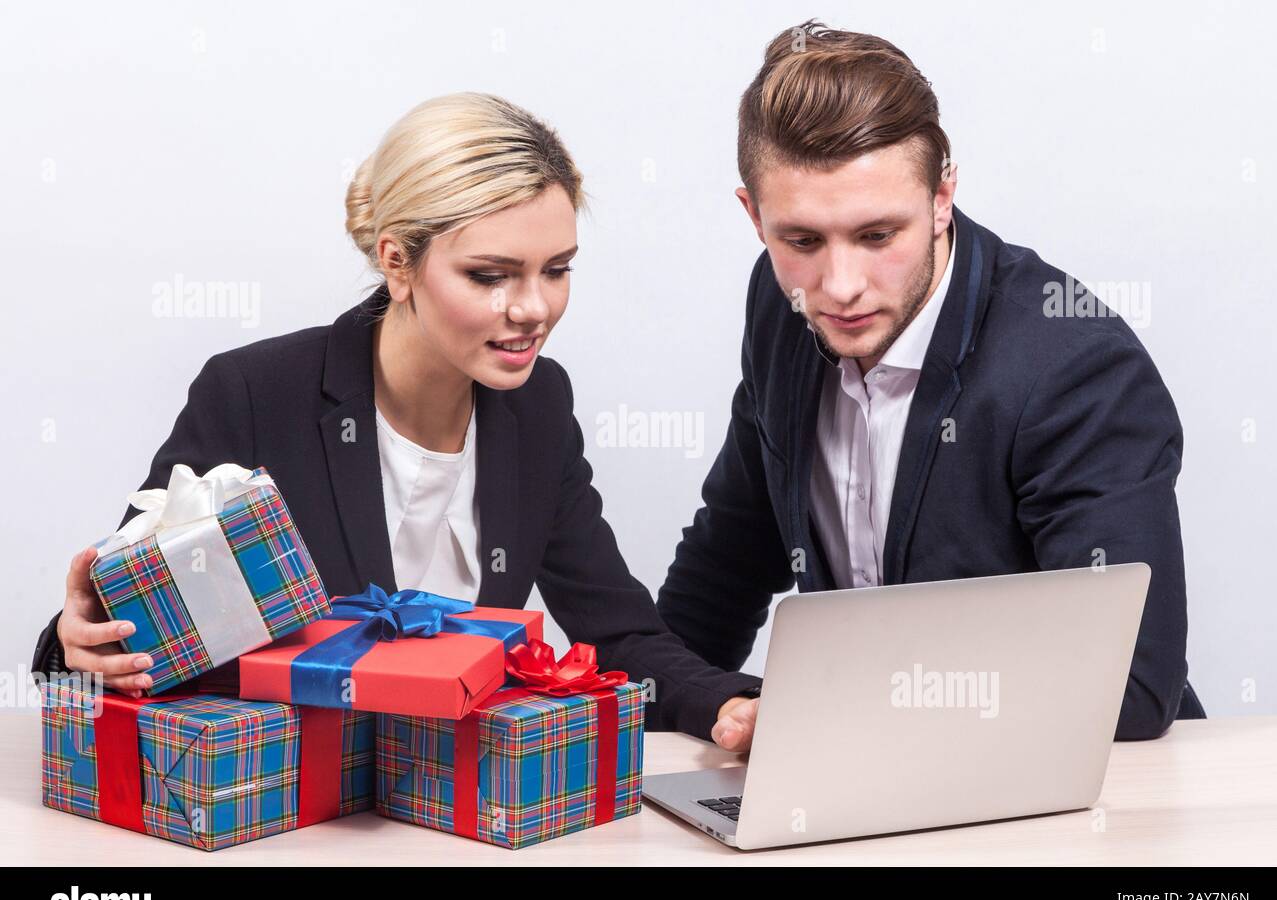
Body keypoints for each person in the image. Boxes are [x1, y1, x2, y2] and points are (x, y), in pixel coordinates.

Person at [29, 92, 759, 741]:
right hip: (283, 815)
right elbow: (123, 626)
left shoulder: (537, 406)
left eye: (557, 268)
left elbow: (619, 632)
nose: (534, 308)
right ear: (397, 262)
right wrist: (74, 647)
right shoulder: (253, 394)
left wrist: (726, 705)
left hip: (447, 811)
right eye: (490, 275)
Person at [658, 21, 1206, 752]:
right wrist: (650, 708)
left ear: (943, 195)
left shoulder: (1073, 370)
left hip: (1079, 794)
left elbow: (1132, 686)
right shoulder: (782, 303)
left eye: (879, 236)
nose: (841, 287)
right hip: (866, 782)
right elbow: (729, 558)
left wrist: (837, 715)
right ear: (753, 215)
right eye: (802, 241)